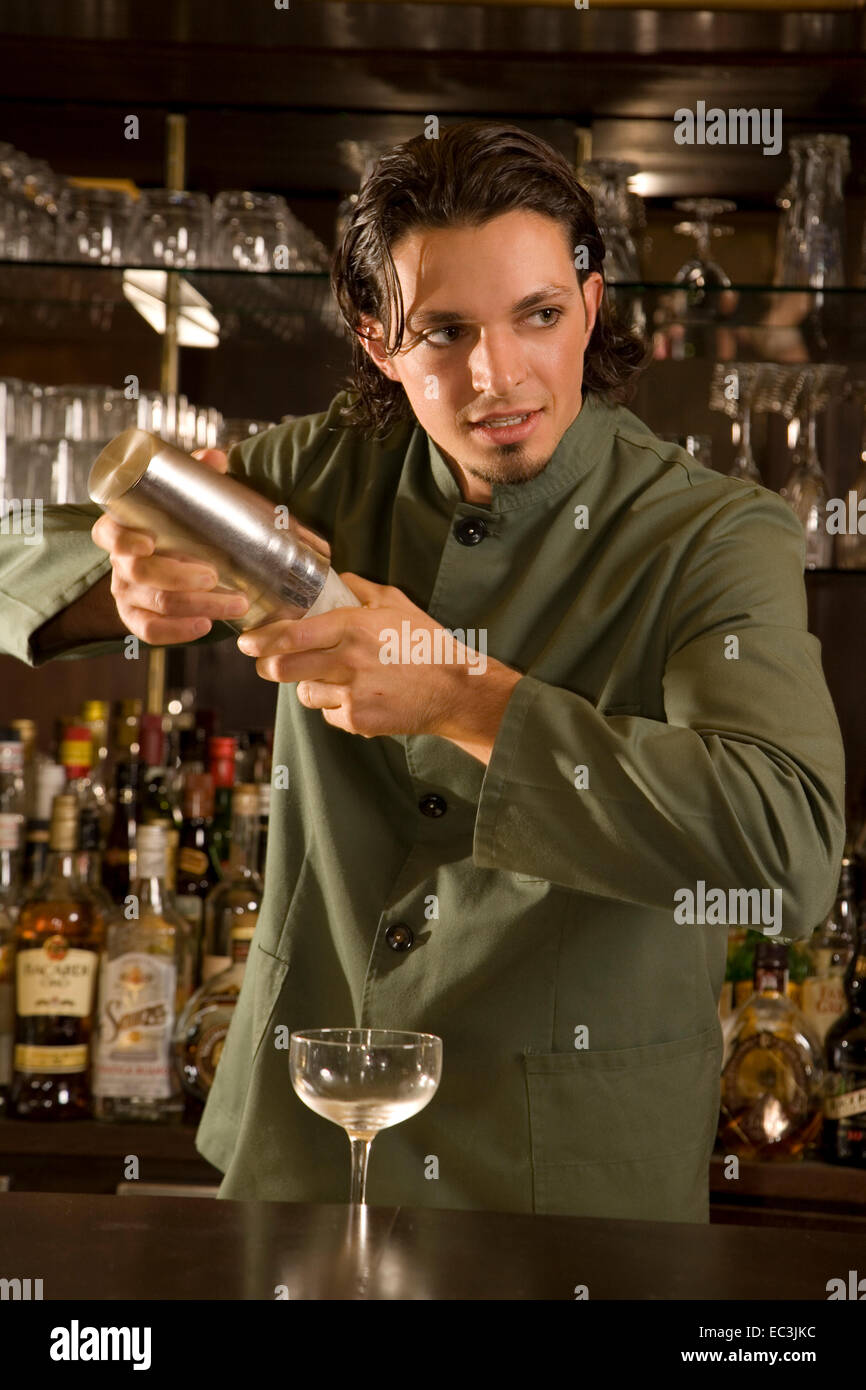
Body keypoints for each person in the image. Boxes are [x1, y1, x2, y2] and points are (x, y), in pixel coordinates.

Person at [0, 122, 845, 1221]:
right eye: (444, 332)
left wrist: (461, 696)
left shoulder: (711, 534)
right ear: (378, 342)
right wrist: (119, 581)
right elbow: (23, 549)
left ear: (591, 307)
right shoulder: (323, 472)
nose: (498, 376)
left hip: (566, 1177)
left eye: (538, 315)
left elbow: (784, 848)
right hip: (301, 1151)